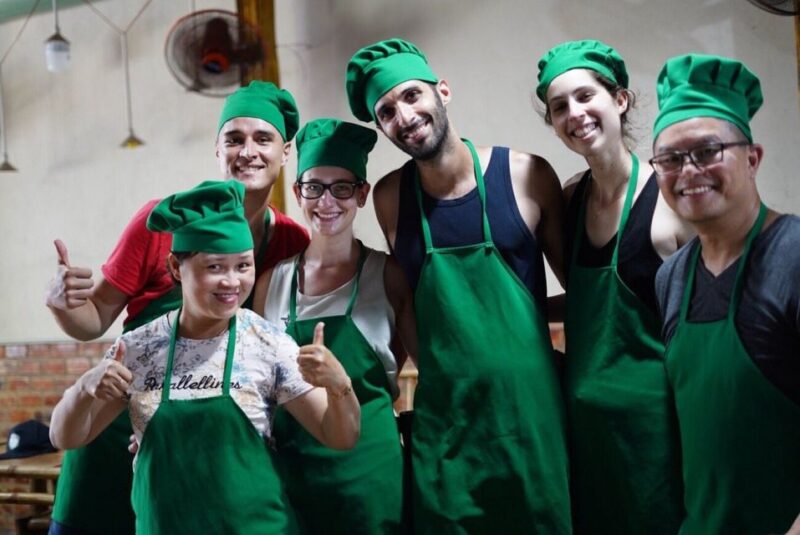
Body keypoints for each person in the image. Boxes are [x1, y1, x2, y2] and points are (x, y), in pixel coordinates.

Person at [44, 81, 309, 535]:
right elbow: (93, 319)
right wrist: (62, 306)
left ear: (285, 152)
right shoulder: (159, 224)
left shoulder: (291, 241)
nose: (248, 151)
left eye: (262, 139)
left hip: (200, 457)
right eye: (234, 139)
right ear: (217, 149)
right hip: (116, 426)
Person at [345, 38, 571, 533]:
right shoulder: (390, 198)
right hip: (447, 425)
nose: (403, 116)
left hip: (532, 418)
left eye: (411, 96)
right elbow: (410, 306)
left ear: (442, 91)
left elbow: (581, 293)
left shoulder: (525, 174)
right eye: (386, 111)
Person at [49, 180, 360, 535]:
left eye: (243, 266)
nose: (232, 282)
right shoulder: (139, 349)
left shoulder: (269, 344)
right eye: (215, 267)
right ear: (176, 268)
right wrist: (83, 389)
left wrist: (340, 387)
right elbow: (66, 436)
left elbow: (341, 436)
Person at [535, 40, 691, 533]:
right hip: (587, 436)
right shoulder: (569, 199)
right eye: (559, 107)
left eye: (586, 97)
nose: (574, 114)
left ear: (619, 100)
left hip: (656, 437)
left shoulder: (670, 203)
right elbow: (588, 302)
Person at [651, 53, 800, 534]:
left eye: (708, 150)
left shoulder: (793, 256)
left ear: (752, 158)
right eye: (670, 159)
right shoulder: (671, 277)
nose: (688, 170)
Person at [253, 118, 416, 534]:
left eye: (342, 187)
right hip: (291, 473)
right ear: (297, 192)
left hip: (371, 471)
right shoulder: (271, 283)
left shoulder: (388, 275)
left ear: (362, 193)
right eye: (314, 187)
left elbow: (423, 364)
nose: (327, 201)